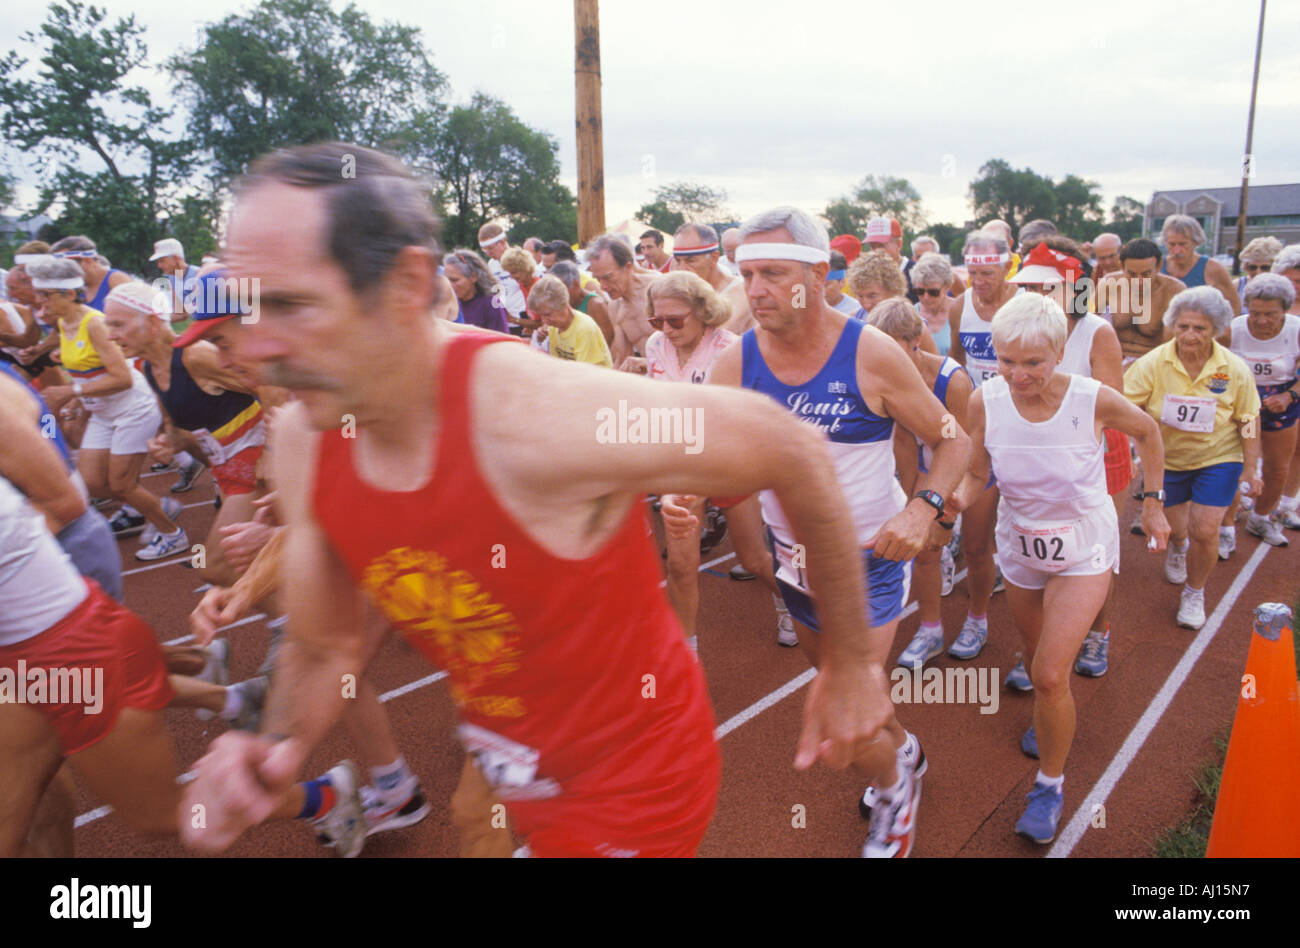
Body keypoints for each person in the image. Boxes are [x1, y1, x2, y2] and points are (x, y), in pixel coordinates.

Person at [180, 142, 893, 860]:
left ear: (405, 284)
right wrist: (276, 747)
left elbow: (790, 447)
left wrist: (853, 665)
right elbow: (323, 639)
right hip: (504, 750)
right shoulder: (307, 439)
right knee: (472, 828)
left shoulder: (534, 415)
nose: (259, 350)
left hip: (634, 782)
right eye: (250, 307)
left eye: (293, 305)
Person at [697, 204, 971, 857]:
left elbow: (951, 438)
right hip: (794, 563)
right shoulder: (738, 361)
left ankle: (895, 791)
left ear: (818, 275)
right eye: (747, 275)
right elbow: (704, 449)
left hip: (871, 556)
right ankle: (902, 752)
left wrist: (922, 507)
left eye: (772, 274)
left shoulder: (870, 353)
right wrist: (685, 491)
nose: (754, 290)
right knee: (843, 687)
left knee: (846, 705)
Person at [948, 292, 1169, 844]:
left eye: (1033, 362)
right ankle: (1051, 717)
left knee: (1048, 674)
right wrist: (945, 506)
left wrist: (1154, 500)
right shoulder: (985, 401)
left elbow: (1149, 432)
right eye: (1006, 360)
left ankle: (1049, 784)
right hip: (1021, 545)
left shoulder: (1093, 399)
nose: (1017, 375)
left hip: (1084, 548)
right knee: (1034, 657)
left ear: (1059, 350)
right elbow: (978, 473)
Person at [1011, 242, 1130, 677]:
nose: (1034, 293)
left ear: (1071, 288)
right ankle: (1043, 651)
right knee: (1034, 554)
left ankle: (1097, 633)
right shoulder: (1019, 328)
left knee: (1095, 554)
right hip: (1034, 455)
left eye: (1045, 286)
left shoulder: (1097, 331)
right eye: (1028, 285)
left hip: (1097, 456)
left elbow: (1111, 403)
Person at [26, 257, 188, 561]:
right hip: (102, 409)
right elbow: (83, 366)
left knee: (122, 484)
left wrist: (70, 392)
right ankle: (155, 505)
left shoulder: (96, 324)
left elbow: (123, 378)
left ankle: (172, 534)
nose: (39, 301)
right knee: (91, 483)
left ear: (69, 294)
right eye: (38, 294)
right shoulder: (63, 322)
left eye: (45, 294)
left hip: (132, 407)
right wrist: (77, 398)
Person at [1124, 286, 1262, 630]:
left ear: (1215, 330)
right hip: (1167, 460)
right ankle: (1179, 547)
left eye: (1199, 329)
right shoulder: (1153, 363)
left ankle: (1194, 591)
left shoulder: (1234, 369)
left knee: (1205, 528)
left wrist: (1250, 468)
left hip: (1218, 458)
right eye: (1183, 326)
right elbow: (1123, 406)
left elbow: (1248, 420)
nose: (1189, 335)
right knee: (1180, 529)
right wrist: (1128, 451)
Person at [868, 299, 974, 667]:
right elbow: (901, 440)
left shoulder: (952, 381)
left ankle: (978, 618)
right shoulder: (881, 375)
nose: (888, 362)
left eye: (895, 352)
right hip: (922, 461)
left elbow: (964, 448)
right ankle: (931, 630)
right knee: (924, 552)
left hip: (969, 464)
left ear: (916, 342)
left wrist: (943, 516)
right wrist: (917, 503)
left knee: (976, 549)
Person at [642, 271, 738, 650]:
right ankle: (688, 650)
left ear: (703, 312)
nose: (665, 328)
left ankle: (783, 603)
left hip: (729, 458)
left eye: (675, 320)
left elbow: (738, 421)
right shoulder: (654, 345)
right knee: (680, 567)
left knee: (755, 559)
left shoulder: (731, 348)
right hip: (681, 463)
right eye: (657, 319)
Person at [946, 231, 1021, 664]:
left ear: (1007, 267)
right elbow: (956, 364)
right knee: (975, 542)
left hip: (1027, 434)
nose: (979, 280)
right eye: (972, 272)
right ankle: (977, 619)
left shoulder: (1026, 303)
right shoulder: (961, 306)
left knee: (1032, 539)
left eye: (987, 273)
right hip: (982, 434)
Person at [1219, 273, 1299, 550]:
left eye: (1270, 314)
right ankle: (1226, 526)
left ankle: (1260, 517)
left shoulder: (1296, 330)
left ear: (1285, 310)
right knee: (1235, 464)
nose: (1262, 321)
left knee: (1278, 468)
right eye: (1255, 313)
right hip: (1243, 405)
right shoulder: (1234, 329)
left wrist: (1290, 395)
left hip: (1279, 402)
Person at [1097, 238, 1185, 366]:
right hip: (1113, 357)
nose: (1138, 281)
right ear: (1121, 266)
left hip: (1154, 362)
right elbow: (1085, 319)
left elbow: (1175, 344)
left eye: (1146, 274)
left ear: (1159, 266)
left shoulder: (1174, 290)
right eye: (1132, 274)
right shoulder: (1109, 283)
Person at [586, 233, 660, 370]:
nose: (602, 286)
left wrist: (646, 364)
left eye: (607, 277)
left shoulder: (658, 289)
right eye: (598, 279)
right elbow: (622, 358)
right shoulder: (615, 307)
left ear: (628, 267)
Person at [671, 222, 752, 334]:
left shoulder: (740, 293)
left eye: (691, 261)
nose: (682, 269)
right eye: (678, 261)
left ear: (714, 258)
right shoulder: (684, 292)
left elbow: (714, 341)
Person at [1270, 245, 1300, 528]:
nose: (1294, 287)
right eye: (1289, 279)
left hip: (1294, 389)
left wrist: (1293, 394)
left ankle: (1288, 503)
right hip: (1265, 392)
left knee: (1297, 448)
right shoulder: (1265, 305)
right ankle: (1252, 502)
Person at [1159, 215, 1241, 314]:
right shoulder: (1157, 267)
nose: (1176, 251)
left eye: (1182, 244)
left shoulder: (1213, 269)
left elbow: (1234, 307)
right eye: (1172, 244)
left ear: (1195, 242)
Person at [529, 275, 612, 367]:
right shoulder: (554, 327)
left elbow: (587, 373)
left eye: (548, 315)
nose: (545, 321)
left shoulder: (584, 329)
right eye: (541, 315)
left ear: (564, 305)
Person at [49, 236, 131, 314]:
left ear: (88, 261)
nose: (63, 273)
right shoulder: (76, 287)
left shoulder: (117, 280)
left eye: (68, 267)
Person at [548, 260, 615, 345]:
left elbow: (606, 344)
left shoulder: (596, 305)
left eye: (561, 291)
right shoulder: (561, 304)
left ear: (575, 284)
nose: (558, 297)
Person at [443, 250, 510, 333]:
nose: (449, 285)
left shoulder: (492, 304)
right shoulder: (445, 303)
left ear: (473, 277)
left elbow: (502, 338)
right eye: (447, 280)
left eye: (454, 280)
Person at [911, 252, 956, 356]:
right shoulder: (911, 315)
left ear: (947, 287)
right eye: (920, 291)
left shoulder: (960, 311)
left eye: (933, 292)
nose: (926, 297)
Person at [149, 237, 200, 320]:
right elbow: (180, 314)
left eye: (162, 261)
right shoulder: (173, 278)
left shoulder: (199, 274)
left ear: (176, 258)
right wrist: (154, 320)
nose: (159, 266)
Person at [1234, 236, 1283, 302]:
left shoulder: (1284, 289)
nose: (1258, 272)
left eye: (1265, 267)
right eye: (1252, 267)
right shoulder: (1236, 286)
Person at [823, 250, 858, 315]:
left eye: (826, 285)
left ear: (842, 282)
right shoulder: (805, 307)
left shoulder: (856, 311)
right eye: (817, 285)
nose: (820, 290)